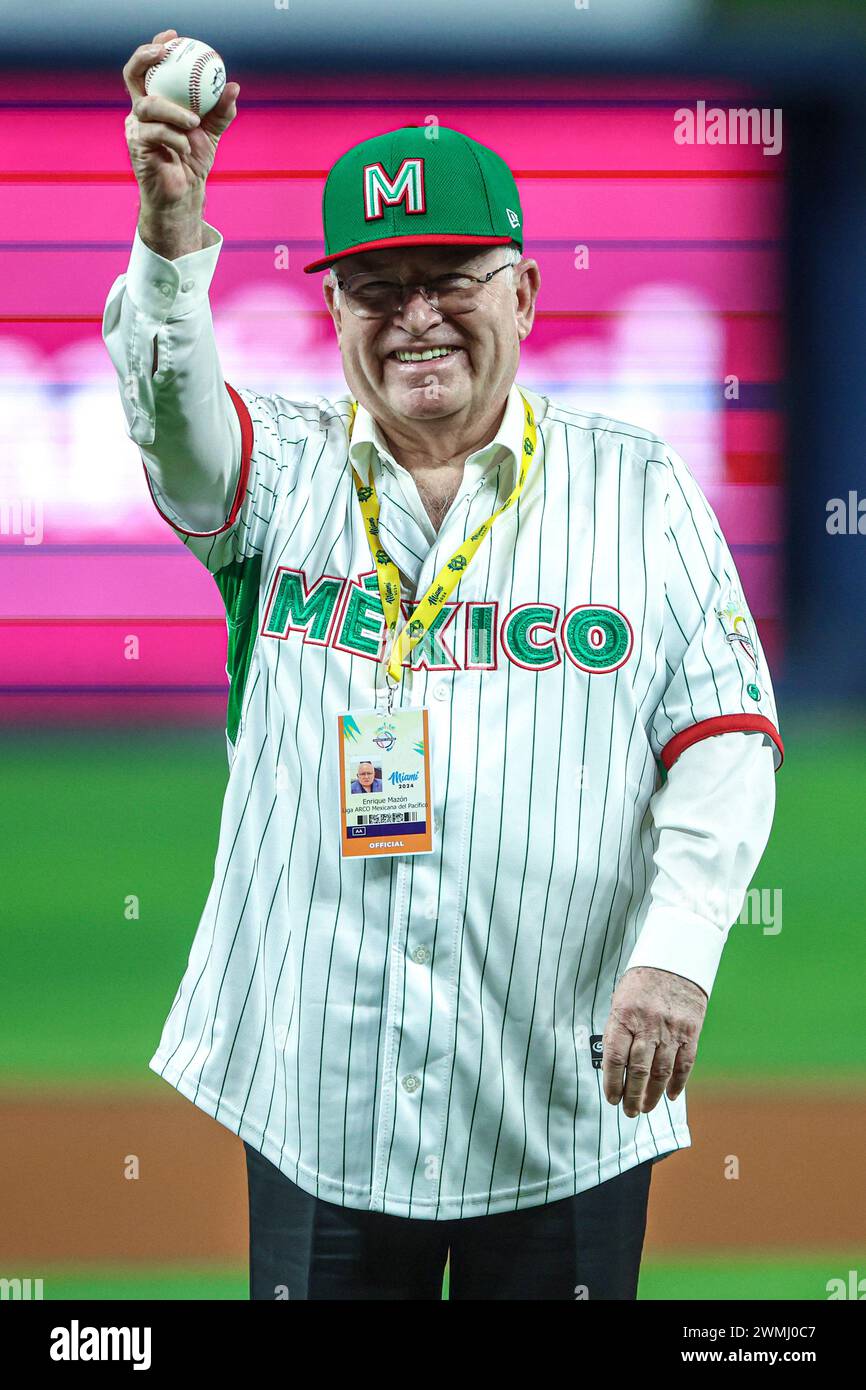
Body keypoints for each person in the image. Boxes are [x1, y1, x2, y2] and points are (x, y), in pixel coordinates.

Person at [102, 29, 782, 1301]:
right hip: (321, 1100)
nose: (414, 312)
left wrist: (679, 947)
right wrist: (171, 230)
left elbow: (726, 737)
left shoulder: (637, 489)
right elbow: (169, 415)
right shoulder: (280, 478)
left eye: (450, 275)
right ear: (334, 311)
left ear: (521, 292)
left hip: (561, 1103)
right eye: (376, 283)